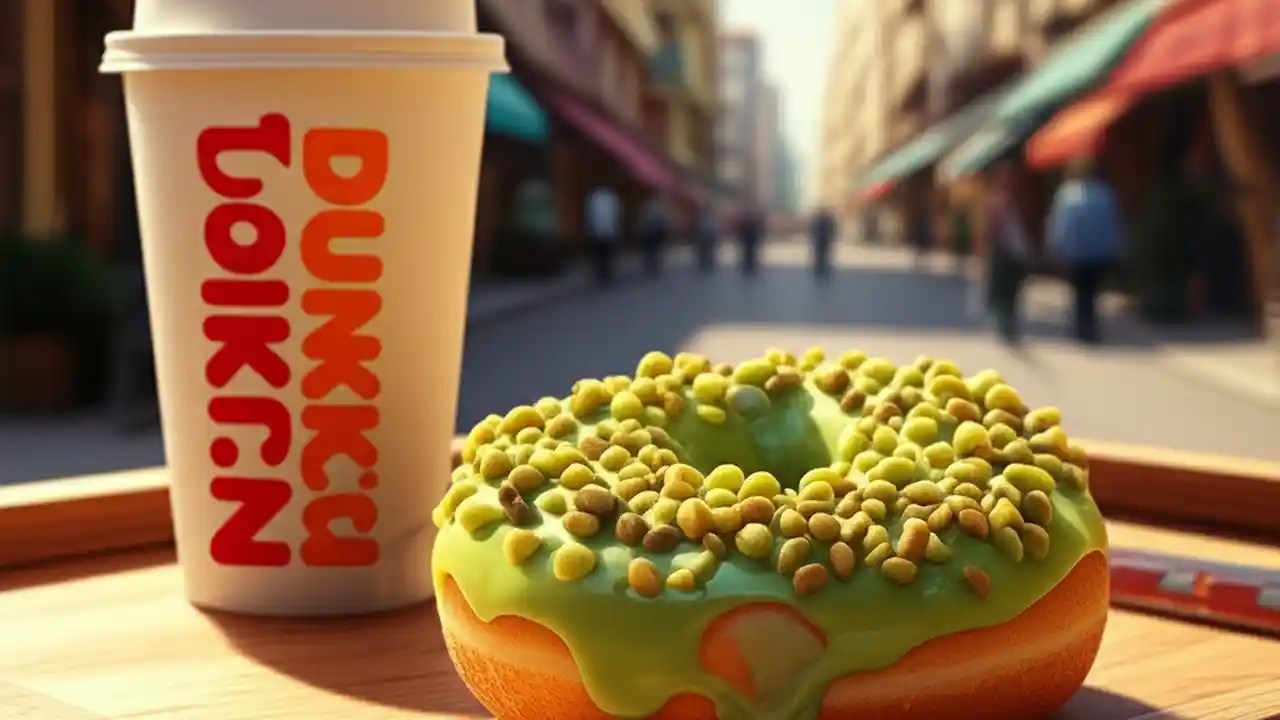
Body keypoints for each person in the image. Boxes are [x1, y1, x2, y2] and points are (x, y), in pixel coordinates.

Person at [1047, 156, 1126, 343]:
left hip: (1076, 252)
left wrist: (1054, 248)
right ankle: (1089, 324)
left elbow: (1059, 226)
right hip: (1099, 252)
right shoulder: (1105, 194)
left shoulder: (1066, 195)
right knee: (1092, 290)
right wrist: (1117, 247)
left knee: (1080, 290)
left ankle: (1082, 325)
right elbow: (1114, 224)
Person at [983, 158, 1033, 343]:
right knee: (1004, 289)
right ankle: (1004, 322)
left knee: (1007, 289)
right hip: (1004, 251)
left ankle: (1005, 321)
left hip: (1007, 252)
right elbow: (990, 228)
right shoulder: (1003, 201)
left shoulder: (1010, 200)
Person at [584, 184, 622, 284]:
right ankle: (606, 272)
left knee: (600, 254)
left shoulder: (594, 198)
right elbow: (616, 215)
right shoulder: (612, 198)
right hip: (609, 231)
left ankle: (601, 272)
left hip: (598, 231)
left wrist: (590, 229)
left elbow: (589, 215)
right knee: (607, 254)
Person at [638, 194, 670, 277]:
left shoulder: (650, 213)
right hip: (655, 235)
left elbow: (643, 222)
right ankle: (654, 265)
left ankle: (651, 265)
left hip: (651, 234)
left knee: (651, 251)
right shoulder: (660, 212)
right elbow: (664, 223)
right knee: (655, 251)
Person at [737, 203, 764, 275]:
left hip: (751, 238)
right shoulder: (746, 220)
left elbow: (759, 227)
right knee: (747, 252)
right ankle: (748, 266)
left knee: (751, 252)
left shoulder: (752, 220)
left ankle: (750, 267)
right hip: (748, 238)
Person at [811, 207, 837, 277]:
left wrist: (813, 236)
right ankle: (822, 267)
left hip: (821, 239)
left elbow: (813, 229)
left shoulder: (818, 220)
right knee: (824, 254)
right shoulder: (828, 220)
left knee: (820, 254)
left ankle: (819, 267)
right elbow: (833, 229)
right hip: (824, 239)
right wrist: (832, 237)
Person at [694, 203, 720, 274]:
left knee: (710, 251)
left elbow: (714, 228)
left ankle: (709, 264)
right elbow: (699, 227)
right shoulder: (702, 217)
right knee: (703, 251)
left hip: (709, 236)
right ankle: (703, 264)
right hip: (703, 236)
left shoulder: (711, 217)